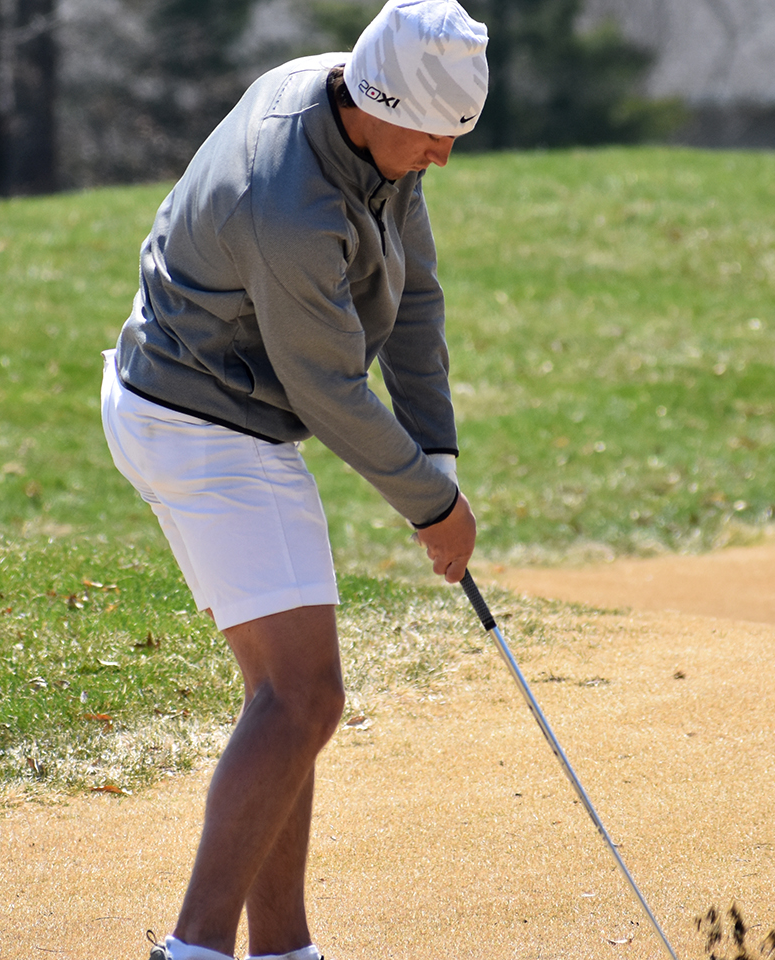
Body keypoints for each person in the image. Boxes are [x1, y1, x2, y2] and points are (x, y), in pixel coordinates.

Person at [99, 2, 487, 958]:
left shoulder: (367, 120)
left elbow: (418, 295)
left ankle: (282, 949)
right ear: (381, 102)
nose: (442, 159)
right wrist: (433, 508)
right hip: (202, 419)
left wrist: (436, 450)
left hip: (200, 405)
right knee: (306, 698)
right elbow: (327, 389)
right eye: (434, 140)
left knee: (288, 695)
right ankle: (193, 949)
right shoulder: (289, 205)